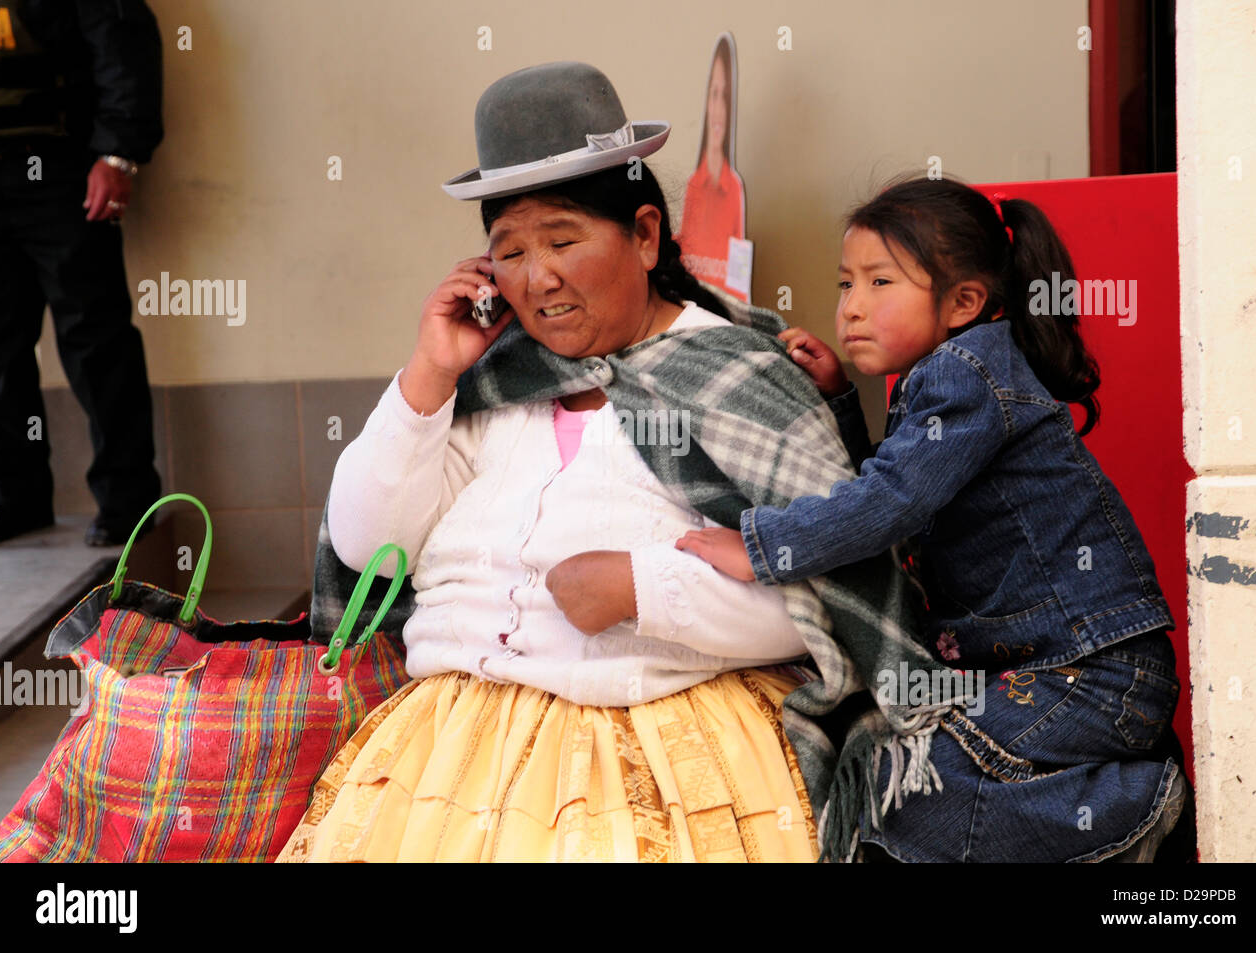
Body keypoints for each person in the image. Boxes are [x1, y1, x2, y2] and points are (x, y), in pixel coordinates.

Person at [278, 62, 835, 862]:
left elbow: (823, 604)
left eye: (564, 241)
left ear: (645, 236)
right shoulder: (487, 387)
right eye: (509, 251)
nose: (538, 278)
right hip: (445, 764)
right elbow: (368, 545)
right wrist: (430, 372)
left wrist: (642, 588)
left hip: (672, 753)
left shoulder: (736, 381)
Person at [676, 176, 1193, 862]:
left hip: (1092, 676)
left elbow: (891, 502)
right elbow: (899, 488)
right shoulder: (949, 376)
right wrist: (838, 399)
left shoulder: (966, 370)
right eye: (844, 285)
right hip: (1057, 678)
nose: (852, 308)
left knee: (898, 783)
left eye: (880, 283)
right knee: (881, 765)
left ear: (964, 302)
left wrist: (762, 545)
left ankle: (1135, 806)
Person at [0, 0, 164, 546]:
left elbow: (122, 42)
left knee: (95, 342)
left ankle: (127, 504)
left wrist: (118, 154)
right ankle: (15, 498)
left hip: (59, 167)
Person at [676, 35, 746, 298]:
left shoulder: (734, 188)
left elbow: (740, 286)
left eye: (725, 97)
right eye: (714, 95)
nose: (718, 108)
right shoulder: (694, 183)